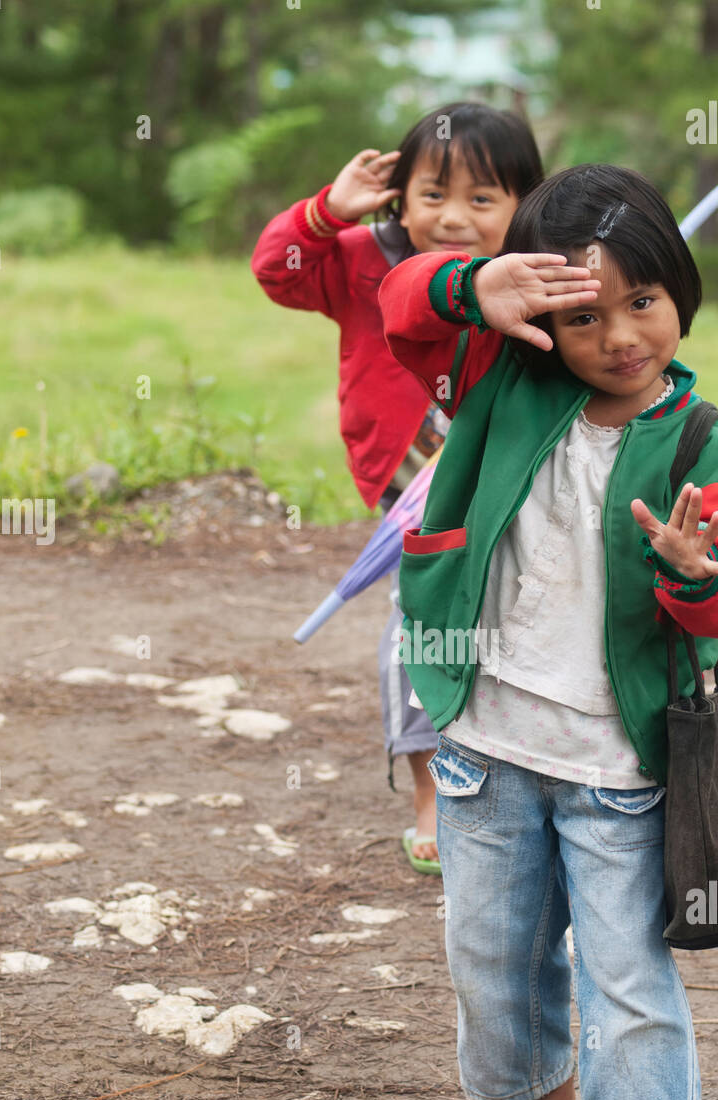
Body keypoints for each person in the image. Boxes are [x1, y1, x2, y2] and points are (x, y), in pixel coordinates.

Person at [378, 163, 718, 1100]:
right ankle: (534, 1088)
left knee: (625, 969)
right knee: (489, 950)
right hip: (485, 745)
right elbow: (400, 309)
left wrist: (698, 574)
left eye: (642, 302)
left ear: (680, 296)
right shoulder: (504, 376)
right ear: (538, 315)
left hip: (616, 766)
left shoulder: (699, 438)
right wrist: (474, 286)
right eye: (583, 314)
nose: (618, 335)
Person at [250, 103, 543, 873]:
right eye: (431, 195)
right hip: (410, 492)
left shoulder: (528, 276)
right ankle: (432, 792)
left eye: (481, 199)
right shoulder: (360, 260)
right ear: (398, 200)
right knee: (421, 625)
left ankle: (528, 774)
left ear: (522, 206)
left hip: (510, 482)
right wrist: (320, 214)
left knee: (516, 614)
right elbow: (276, 273)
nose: (452, 217)